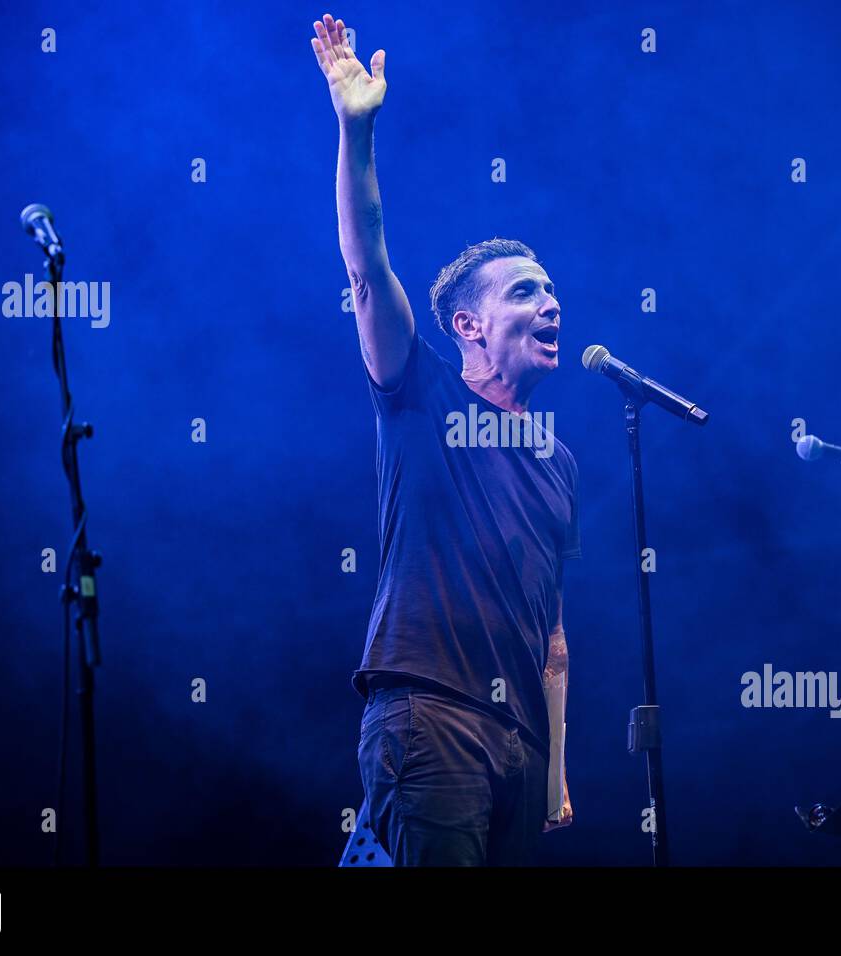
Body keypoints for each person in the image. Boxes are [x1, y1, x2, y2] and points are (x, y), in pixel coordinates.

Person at [310, 12, 580, 865]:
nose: (552, 305)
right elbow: (367, 260)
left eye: (553, 293)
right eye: (527, 292)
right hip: (430, 719)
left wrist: (559, 769)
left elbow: (554, 637)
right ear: (468, 323)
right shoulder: (417, 390)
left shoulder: (559, 462)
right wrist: (357, 129)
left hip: (519, 747)